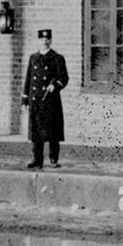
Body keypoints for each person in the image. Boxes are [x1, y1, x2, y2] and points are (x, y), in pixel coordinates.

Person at [22, 29, 69, 169]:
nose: (45, 41)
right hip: (35, 100)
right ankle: (37, 160)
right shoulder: (33, 58)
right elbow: (28, 79)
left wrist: (55, 85)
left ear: (51, 40)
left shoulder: (57, 58)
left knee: (52, 131)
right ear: (38, 41)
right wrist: (25, 100)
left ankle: (53, 159)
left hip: (50, 101)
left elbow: (64, 77)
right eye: (42, 40)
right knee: (36, 132)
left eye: (48, 39)